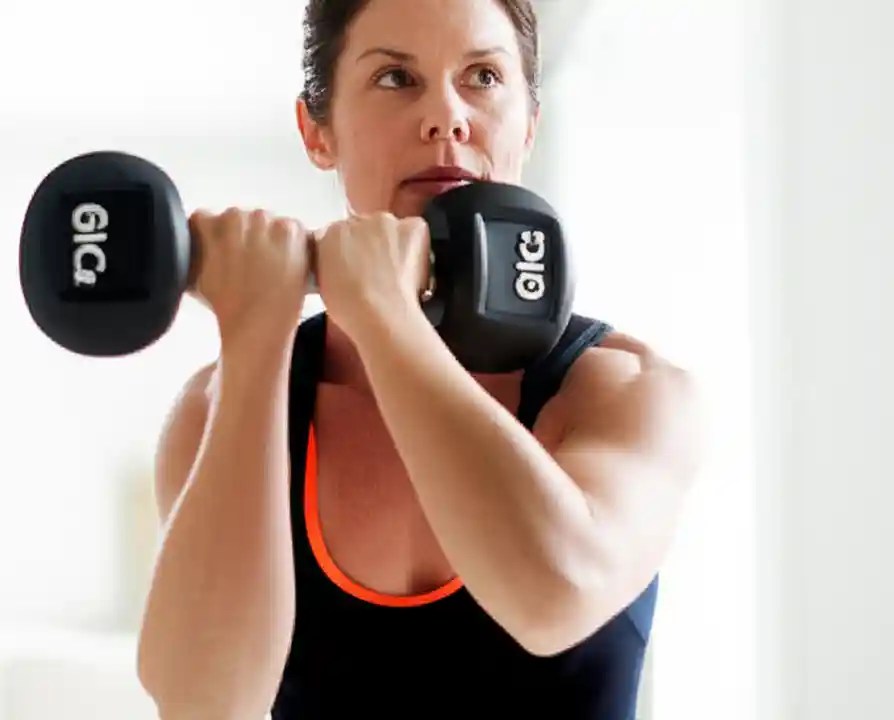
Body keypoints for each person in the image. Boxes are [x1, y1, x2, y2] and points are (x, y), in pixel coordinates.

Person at [134, 0, 704, 717]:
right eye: (397, 78)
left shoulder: (625, 391)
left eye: (484, 77)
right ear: (318, 130)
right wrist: (255, 338)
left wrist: (385, 316)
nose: (446, 117)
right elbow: (202, 704)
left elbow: (551, 597)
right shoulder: (215, 411)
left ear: (528, 124)